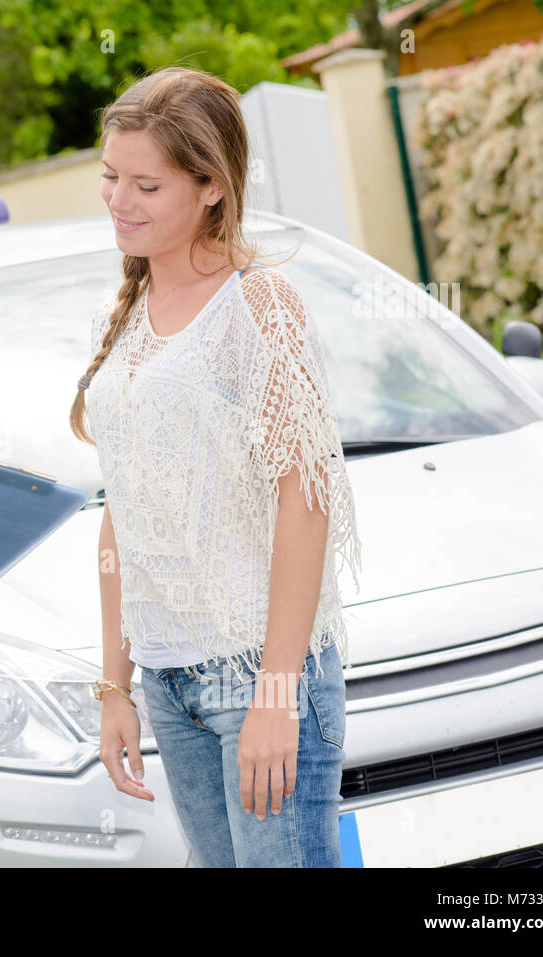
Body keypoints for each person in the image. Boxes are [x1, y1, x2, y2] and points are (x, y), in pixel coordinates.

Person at [68, 67, 363, 867]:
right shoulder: (120, 313)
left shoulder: (257, 305)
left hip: (258, 675)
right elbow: (122, 509)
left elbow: (307, 499)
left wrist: (275, 692)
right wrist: (116, 686)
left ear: (209, 187)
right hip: (166, 679)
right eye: (109, 177)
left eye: (145, 185)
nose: (118, 200)